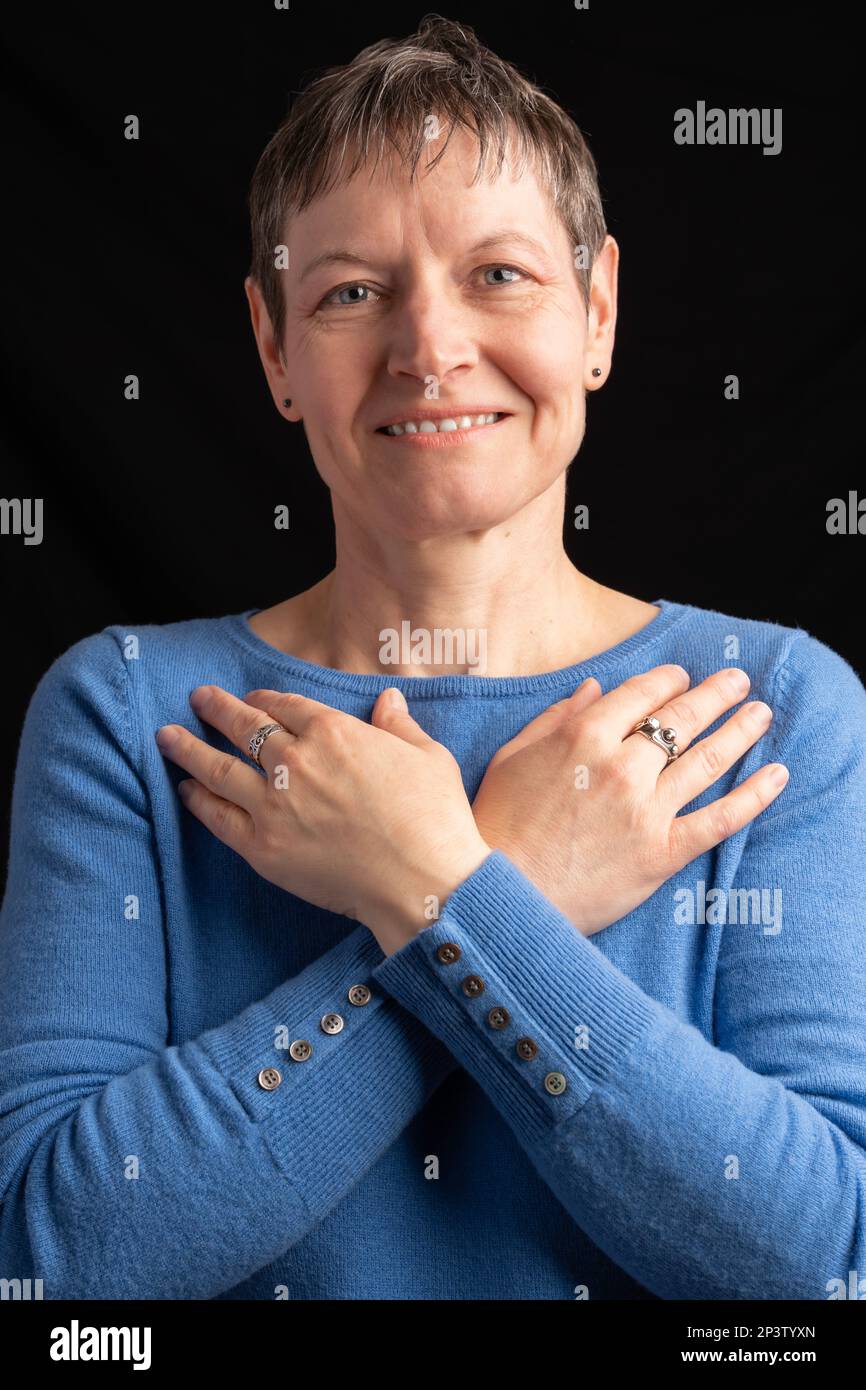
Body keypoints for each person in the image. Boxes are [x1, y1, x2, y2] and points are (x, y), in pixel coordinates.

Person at [1, 15, 864, 1301]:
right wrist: (493, 888)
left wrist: (441, 883)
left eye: (499, 274)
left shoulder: (773, 706)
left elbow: (813, 1262)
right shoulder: (121, 711)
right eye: (352, 291)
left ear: (598, 311)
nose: (428, 348)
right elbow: (57, 1264)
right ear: (272, 346)